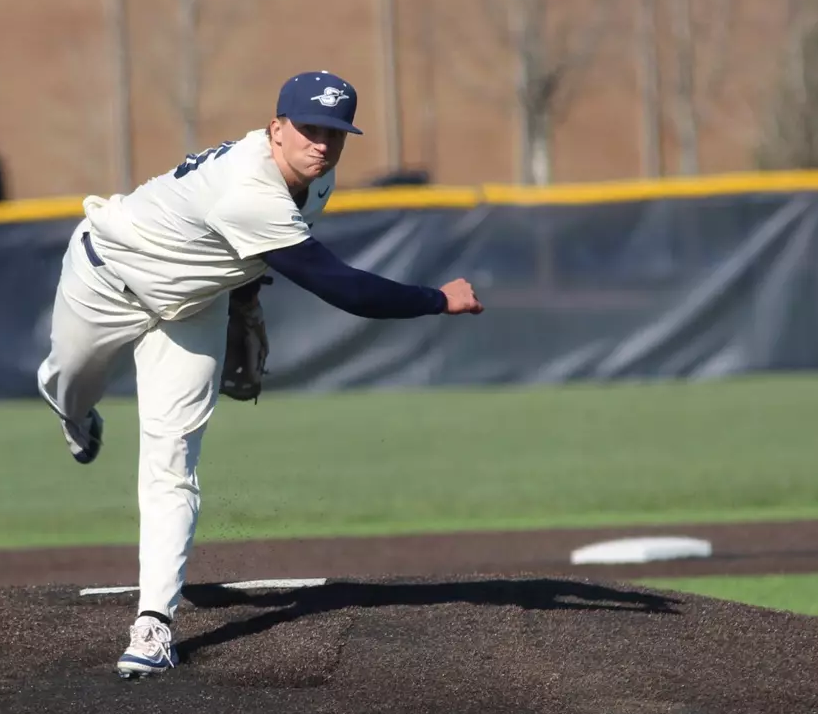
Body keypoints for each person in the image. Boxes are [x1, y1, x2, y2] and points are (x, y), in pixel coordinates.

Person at [35, 70, 483, 678]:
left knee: (172, 461)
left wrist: (243, 296)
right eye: (308, 128)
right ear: (276, 129)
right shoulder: (248, 186)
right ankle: (74, 410)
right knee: (70, 382)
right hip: (106, 279)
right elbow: (343, 288)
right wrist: (437, 299)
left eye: (336, 131)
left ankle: (154, 625)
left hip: (190, 312)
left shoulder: (314, 179)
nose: (321, 143)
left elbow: (244, 251)